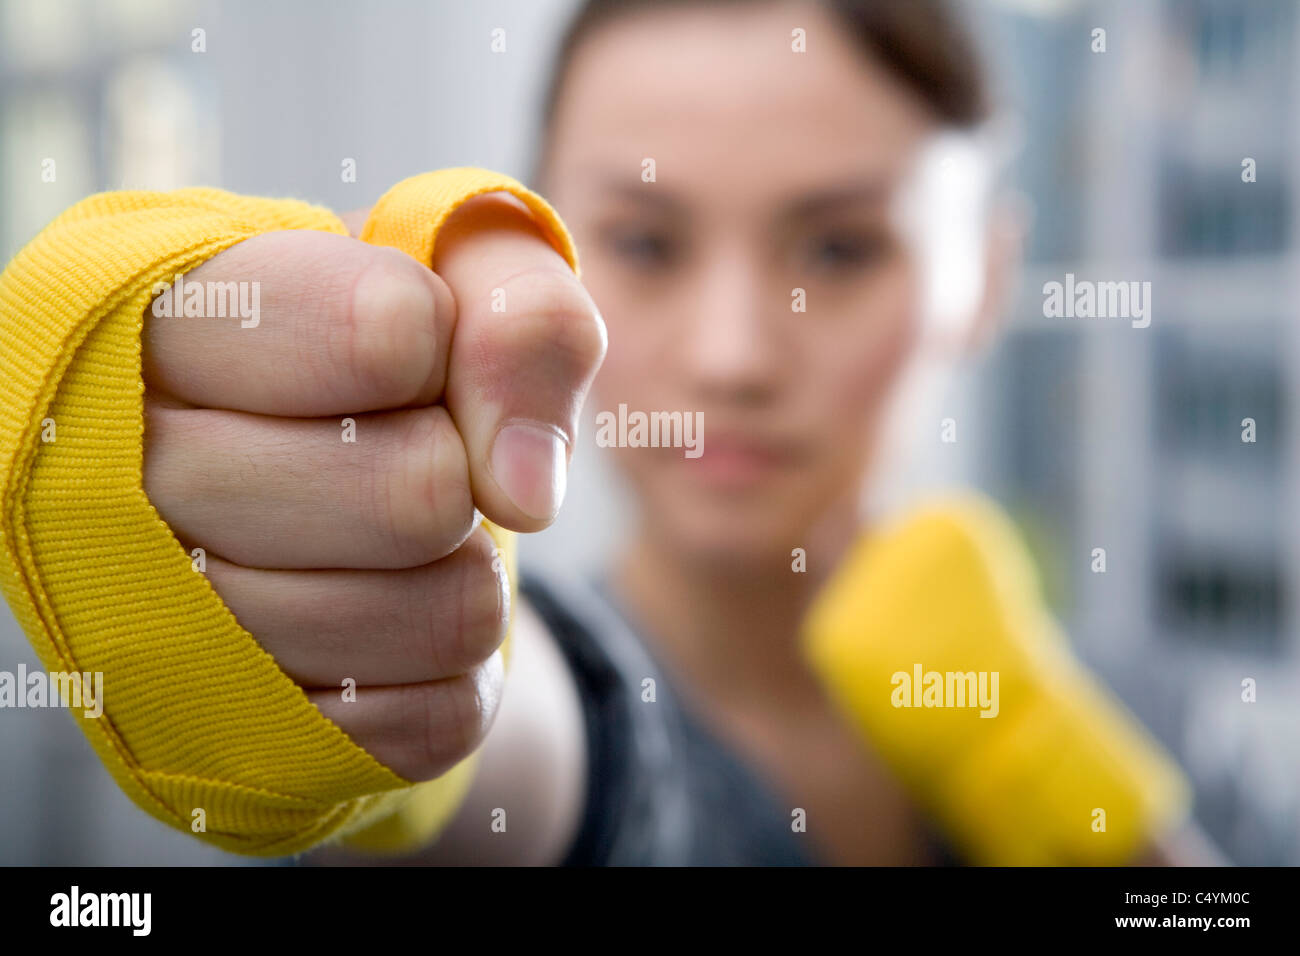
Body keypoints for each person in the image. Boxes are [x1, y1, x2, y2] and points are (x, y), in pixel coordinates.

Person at [0, 0, 1222, 865]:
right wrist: (405, 720)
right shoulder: (552, 694)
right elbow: (541, 754)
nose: (732, 353)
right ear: (540, 246)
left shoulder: (1164, 724)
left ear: (990, 275)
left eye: (840, 248)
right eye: (643, 243)